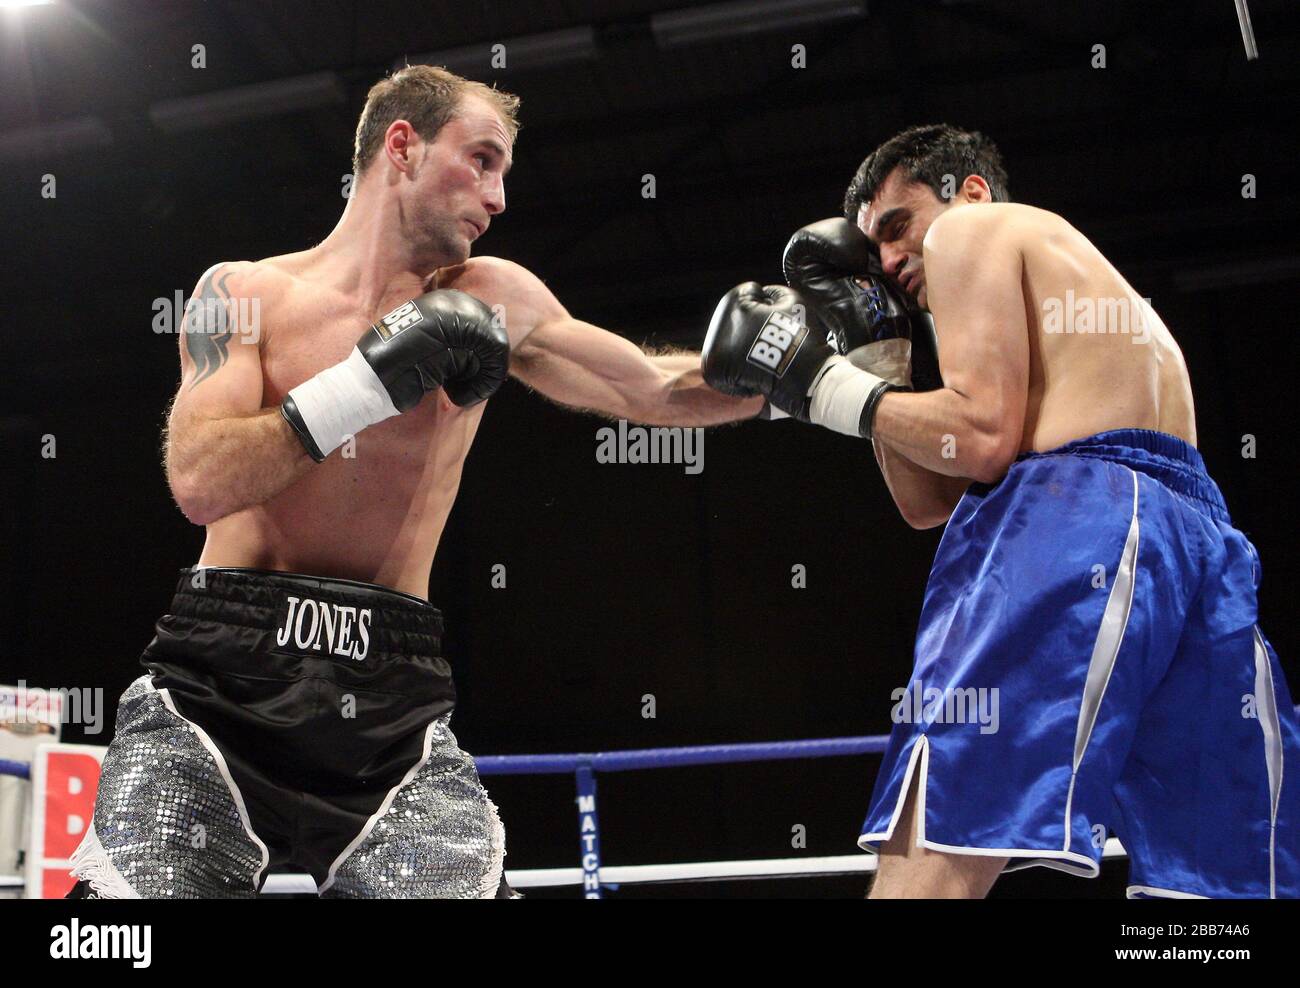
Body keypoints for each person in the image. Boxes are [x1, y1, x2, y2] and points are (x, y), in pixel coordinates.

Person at [68, 65, 759, 899]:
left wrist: (809, 379)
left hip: (390, 693)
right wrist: (365, 385)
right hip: (219, 678)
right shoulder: (243, 293)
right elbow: (200, 480)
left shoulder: (495, 299)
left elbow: (653, 391)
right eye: (482, 160)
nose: (499, 197)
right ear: (403, 144)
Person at [702, 123, 1299, 899]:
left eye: (896, 226)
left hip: (1079, 516)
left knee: (946, 819)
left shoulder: (975, 229)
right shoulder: (1079, 294)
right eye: (872, 250)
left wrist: (817, 383)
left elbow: (981, 440)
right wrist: (875, 352)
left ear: (969, 190)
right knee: (1219, 878)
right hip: (1198, 548)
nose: (885, 261)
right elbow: (928, 502)